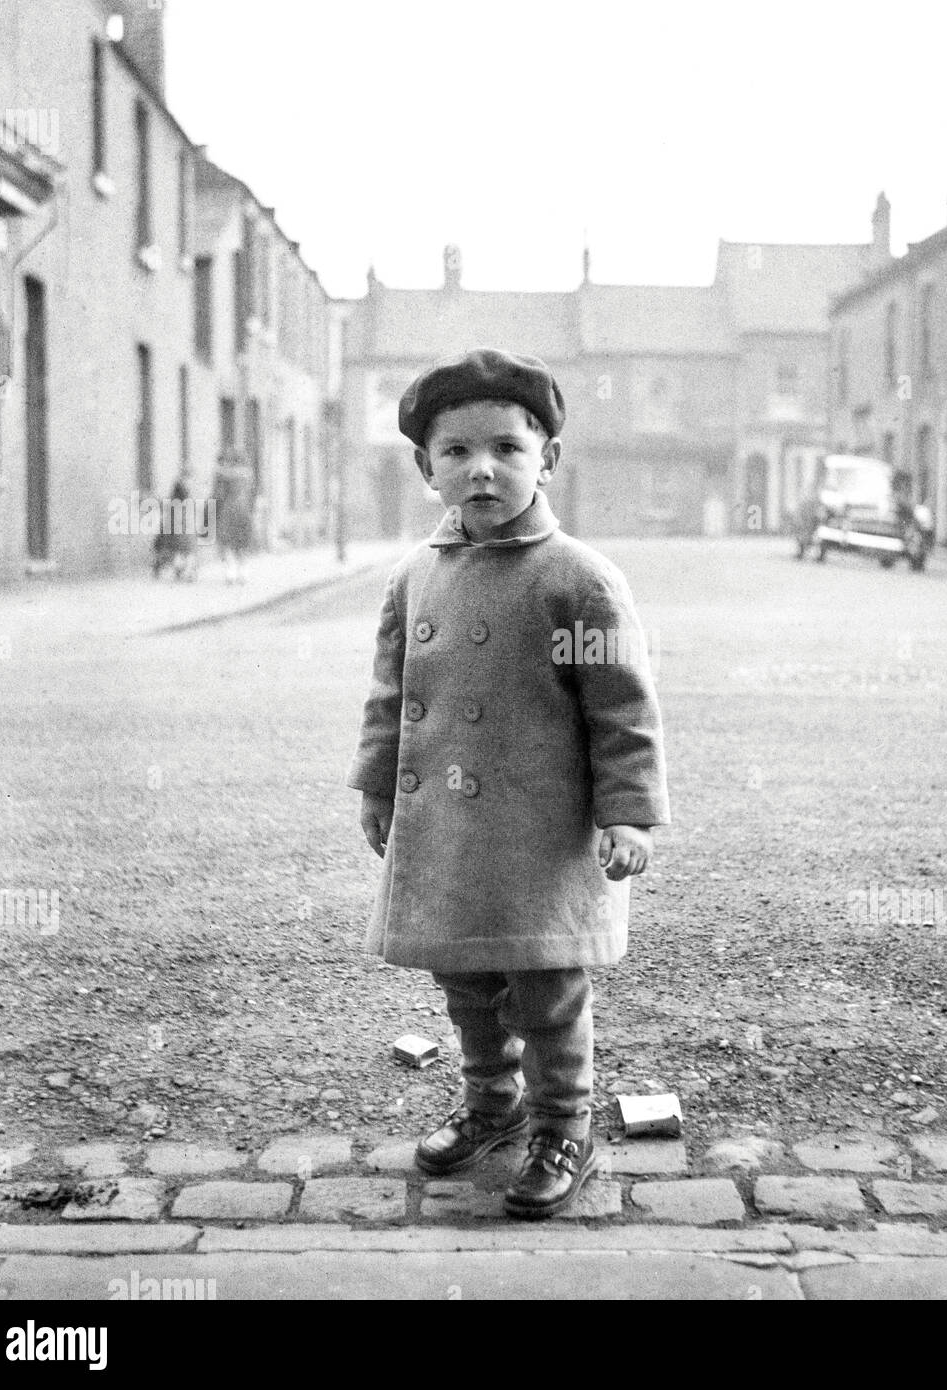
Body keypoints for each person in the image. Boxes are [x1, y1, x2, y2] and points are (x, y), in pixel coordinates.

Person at [348, 347, 670, 1219]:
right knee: (466, 982)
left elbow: (621, 711)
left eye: (506, 448)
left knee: (547, 989)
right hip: (445, 827)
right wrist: (378, 787)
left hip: (542, 831)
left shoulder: (578, 580)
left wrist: (630, 814)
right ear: (425, 468)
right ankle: (495, 1104)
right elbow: (392, 694)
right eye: (455, 452)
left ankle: (564, 1124)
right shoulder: (416, 576)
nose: (481, 468)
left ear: (547, 459)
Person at [210, 448, 254, 584]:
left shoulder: (224, 474)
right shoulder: (248, 474)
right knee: (242, 543)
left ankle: (231, 573)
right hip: (245, 510)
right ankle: (243, 573)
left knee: (227, 542)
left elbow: (217, 492)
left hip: (229, 510)